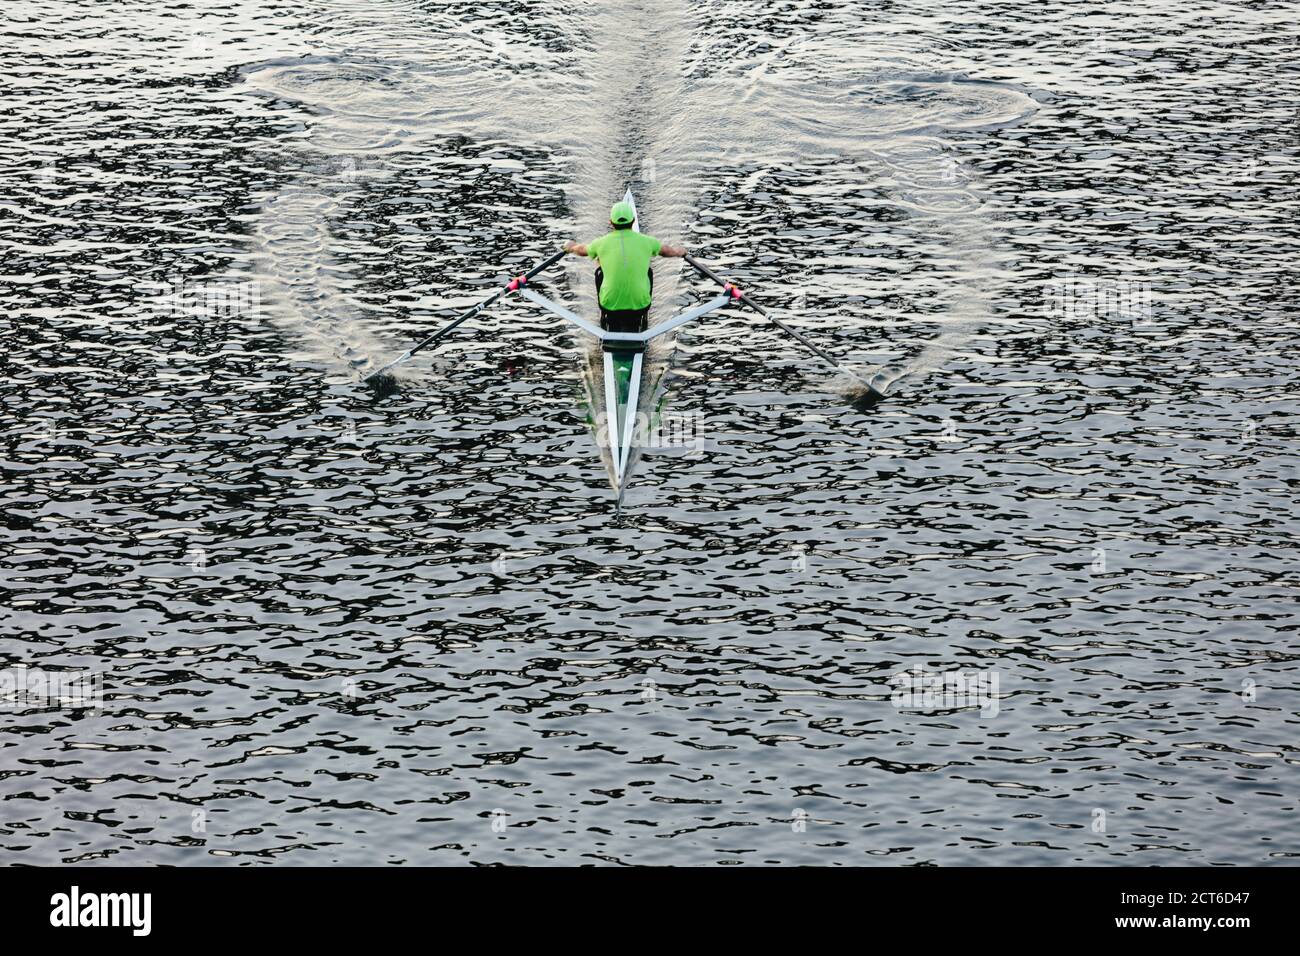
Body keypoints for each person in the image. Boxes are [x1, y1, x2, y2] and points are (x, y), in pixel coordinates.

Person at [564, 200, 687, 332]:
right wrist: (678, 252)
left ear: (611, 222)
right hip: (640, 307)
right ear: (633, 221)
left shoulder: (601, 243)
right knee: (649, 272)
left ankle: (604, 317)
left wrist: (571, 247)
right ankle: (643, 317)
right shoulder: (647, 241)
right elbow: (666, 251)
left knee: (600, 270)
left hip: (610, 307)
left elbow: (581, 250)